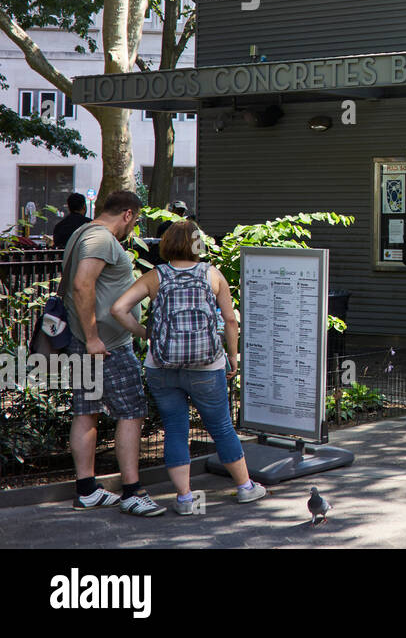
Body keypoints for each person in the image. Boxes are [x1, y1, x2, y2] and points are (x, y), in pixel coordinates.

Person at [110, 219, 267, 513]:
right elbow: (230, 320)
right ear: (198, 244)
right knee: (221, 426)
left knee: (175, 428)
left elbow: (118, 308)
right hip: (207, 365)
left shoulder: (155, 276)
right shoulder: (212, 274)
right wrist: (233, 356)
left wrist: (145, 333)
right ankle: (245, 487)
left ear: (167, 243)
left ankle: (184, 499)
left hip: (162, 365)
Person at [61, 189, 164, 515]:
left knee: (86, 411)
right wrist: (93, 338)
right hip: (106, 347)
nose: (132, 229)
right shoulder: (101, 238)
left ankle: (87, 490)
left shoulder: (81, 233)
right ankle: (132, 492)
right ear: (128, 214)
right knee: (131, 412)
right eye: (134, 222)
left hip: (86, 343)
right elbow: (82, 284)